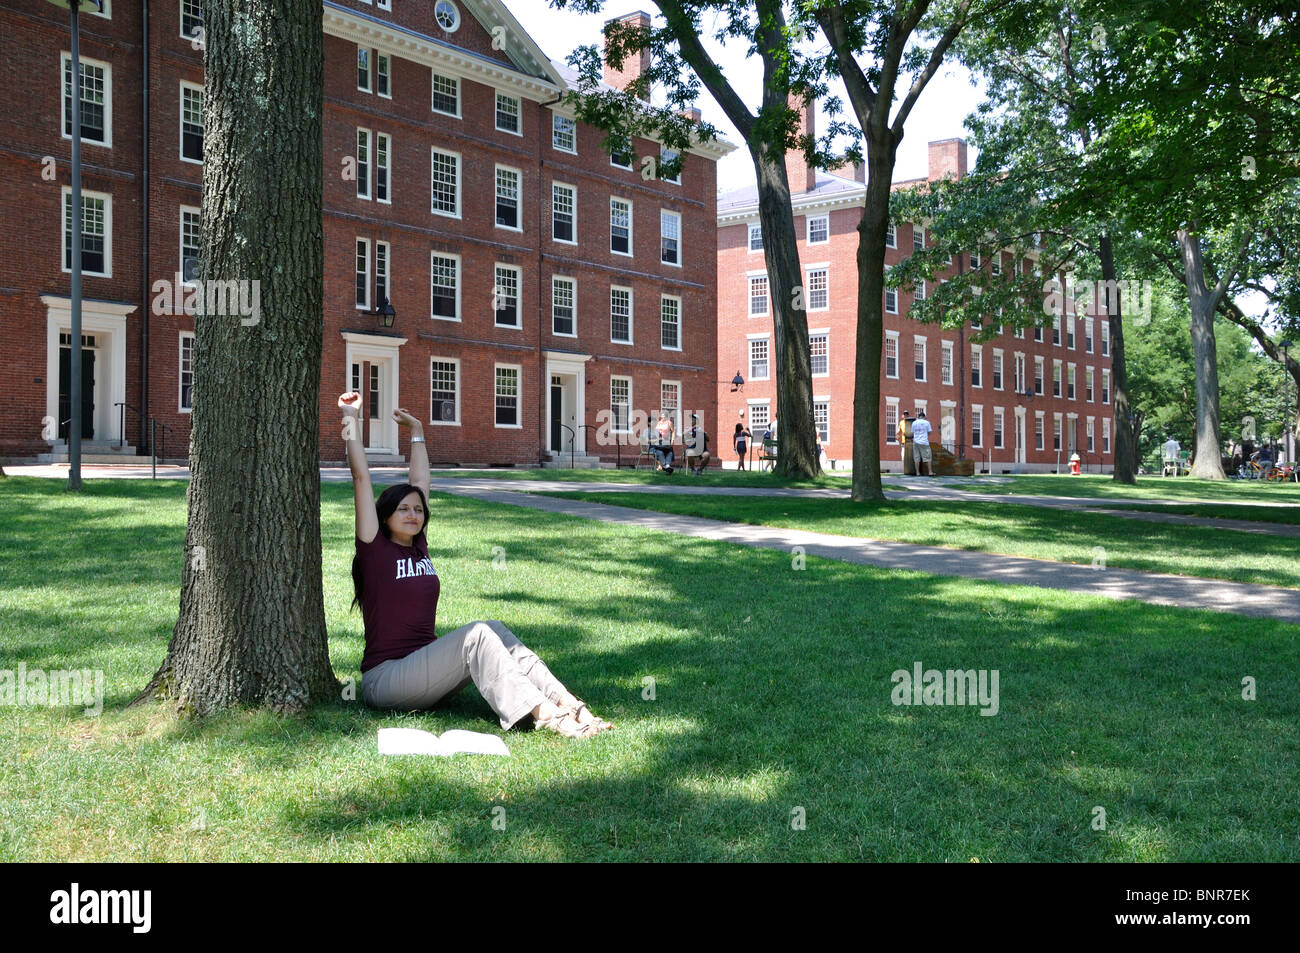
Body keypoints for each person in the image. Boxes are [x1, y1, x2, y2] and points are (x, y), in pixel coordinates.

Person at [339, 392, 612, 739]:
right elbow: (361, 477)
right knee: (477, 636)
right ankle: (546, 716)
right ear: (386, 516)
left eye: (418, 510)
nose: (413, 514)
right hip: (386, 679)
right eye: (403, 509)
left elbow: (421, 482)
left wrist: (418, 431)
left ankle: (570, 705)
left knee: (493, 627)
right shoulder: (374, 549)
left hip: (424, 670)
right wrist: (350, 416)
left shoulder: (418, 545)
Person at [910, 409, 933, 476]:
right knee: (928, 457)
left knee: (916, 458)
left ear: (919, 416)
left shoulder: (914, 423)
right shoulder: (927, 422)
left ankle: (917, 473)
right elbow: (929, 432)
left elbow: (912, 432)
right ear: (924, 417)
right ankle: (930, 472)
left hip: (916, 442)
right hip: (924, 442)